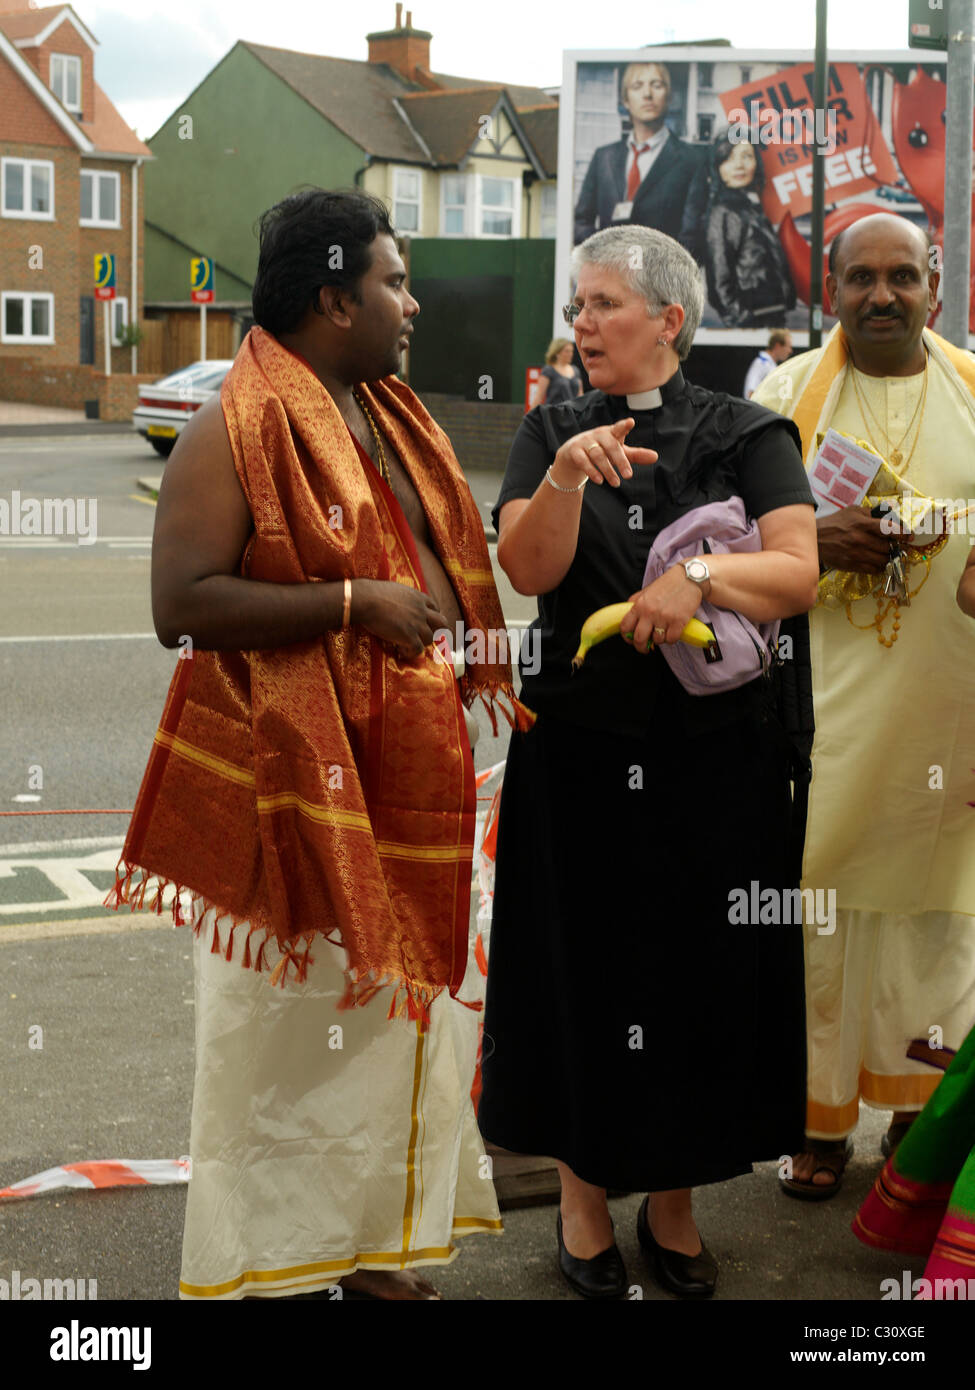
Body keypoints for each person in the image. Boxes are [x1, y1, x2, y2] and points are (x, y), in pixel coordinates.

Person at [107, 188, 525, 1300]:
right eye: (393, 281)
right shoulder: (230, 427)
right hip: (292, 786)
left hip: (408, 770)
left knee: (402, 1023)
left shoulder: (388, 419)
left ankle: (375, 1252)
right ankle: (278, 1259)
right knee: (284, 1038)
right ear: (336, 299)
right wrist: (353, 603)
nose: (412, 304)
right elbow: (182, 603)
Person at [477, 224, 819, 1299]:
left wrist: (703, 578)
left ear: (670, 320)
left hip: (716, 764)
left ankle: (673, 1207)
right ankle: (583, 1207)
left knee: (696, 980)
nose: (581, 324)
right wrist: (570, 478)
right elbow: (527, 566)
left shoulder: (750, 430)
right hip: (579, 757)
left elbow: (799, 573)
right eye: (576, 306)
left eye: (603, 304)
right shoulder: (549, 429)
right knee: (581, 975)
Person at [753, 212, 975, 1200]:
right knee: (820, 907)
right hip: (820, 705)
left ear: (935, 284)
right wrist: (814, 540)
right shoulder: (782, 396)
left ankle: (915, 1116)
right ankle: (817, 1121)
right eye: (860, 279)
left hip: (950, 706)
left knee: (939, 911)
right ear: (829, 288)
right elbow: (717, 537)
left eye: (903, 277)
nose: (881, 296)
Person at [573, 61, 707, 253]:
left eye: (656, 85)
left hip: (661, 278)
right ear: (625, 100)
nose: (647, 94)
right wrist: (603, 259)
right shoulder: (603, 157)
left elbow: (692, 235)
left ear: (669, 96)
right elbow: (581, 221)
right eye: (637, 86)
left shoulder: (691, 160)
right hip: (610, 276)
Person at [703, 132, 796, 328]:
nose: (739, 165)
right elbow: (719, 278)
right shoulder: (723, 213)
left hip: (773, 315)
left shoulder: (752, 208)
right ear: (718, 167)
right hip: (752, 322)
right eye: (729, 158)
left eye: (746, 156)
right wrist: (740, 318)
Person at [533, 338, 583, 407]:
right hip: (554, 413)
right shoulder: (548, 370)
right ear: (557, 353)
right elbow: (539, 396)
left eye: (571, 351)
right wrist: (530, 416)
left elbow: (580, 395)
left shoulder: (576, 370)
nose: (570, 354)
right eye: (567, 351)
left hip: (573, 414)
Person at [744, 329, 793, 400]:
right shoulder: (761, 363)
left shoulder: (770, 364)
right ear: (778, 346)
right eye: (788, 347)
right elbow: (750, 393)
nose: (790, 351)